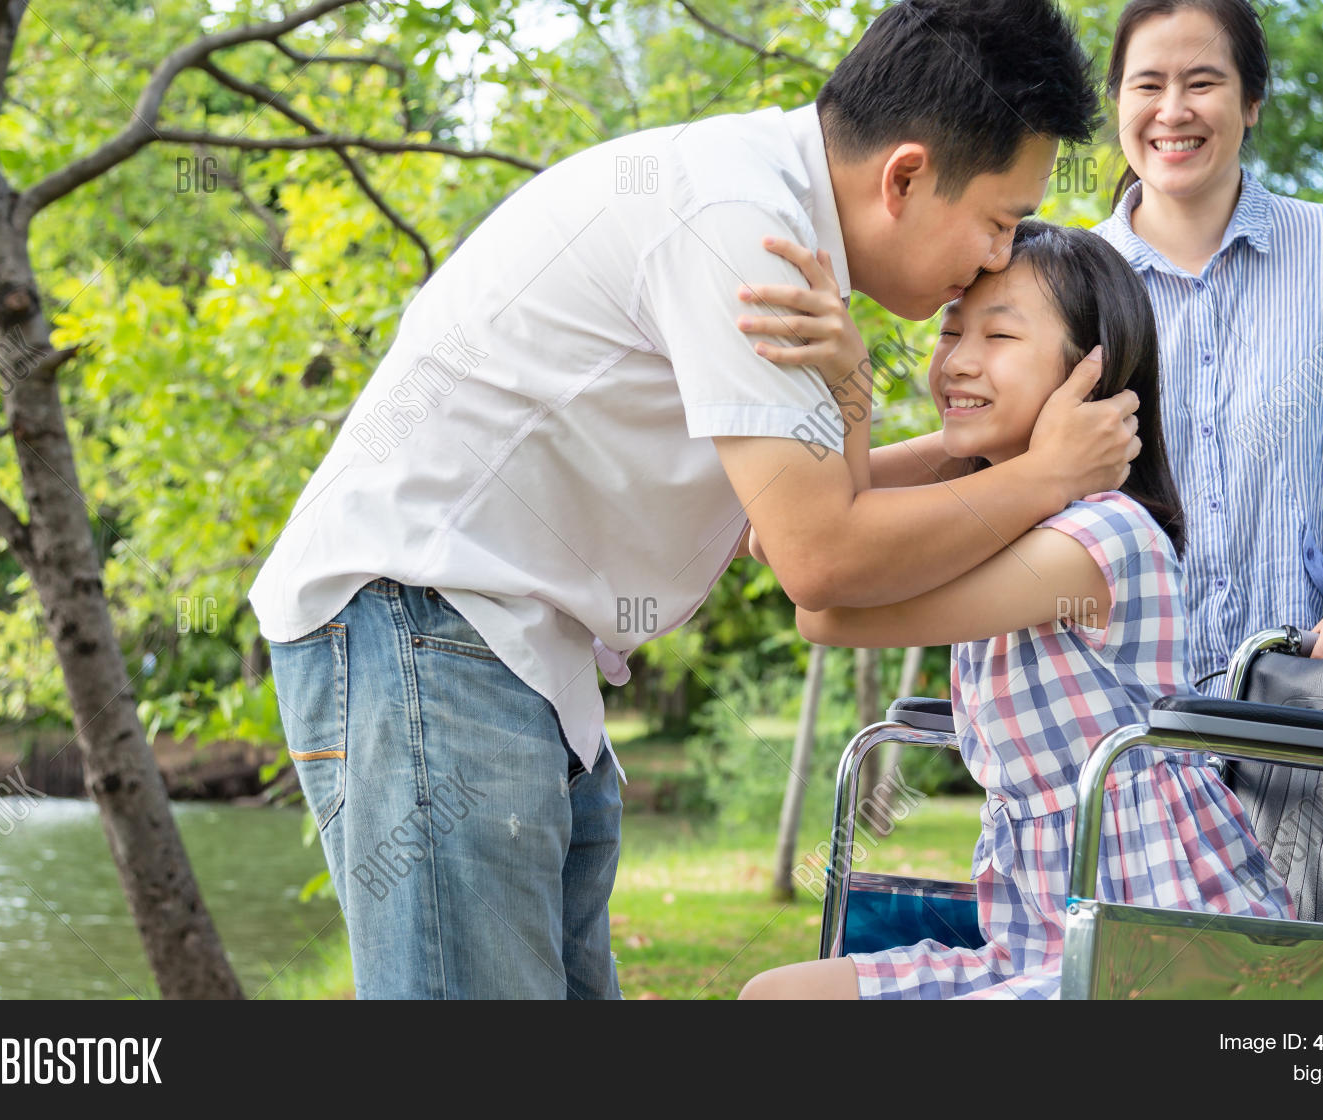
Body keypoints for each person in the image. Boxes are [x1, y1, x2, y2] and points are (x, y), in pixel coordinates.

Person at [249, 0, 1139, 999]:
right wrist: (1045, 475)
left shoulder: (769, 210)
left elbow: (792, 521)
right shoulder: (746, 234)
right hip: (431, 622)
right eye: (999, 222)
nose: (997, 256)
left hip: (507, 647)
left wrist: (938, 423)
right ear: (905, 177)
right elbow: (821, 557)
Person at [738, 222, 1294, 1000]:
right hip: (1035, 946)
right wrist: (863, 394)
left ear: (1090, 375)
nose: (958, 361)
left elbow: (827, 608)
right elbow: (782, 536)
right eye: (950, 333)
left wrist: (1034, 459)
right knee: (777, 996)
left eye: (999, 336)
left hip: (1164, 955)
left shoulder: (1103, 536)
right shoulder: (1002, 506)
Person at [1093, 0, 1323, 693]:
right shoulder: (1074, 280)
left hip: (1303, 704)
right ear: (1118, 103)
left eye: (1202, 82)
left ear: (1251, 101)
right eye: (1148, 84)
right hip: (1127, 714)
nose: (1172, 110)